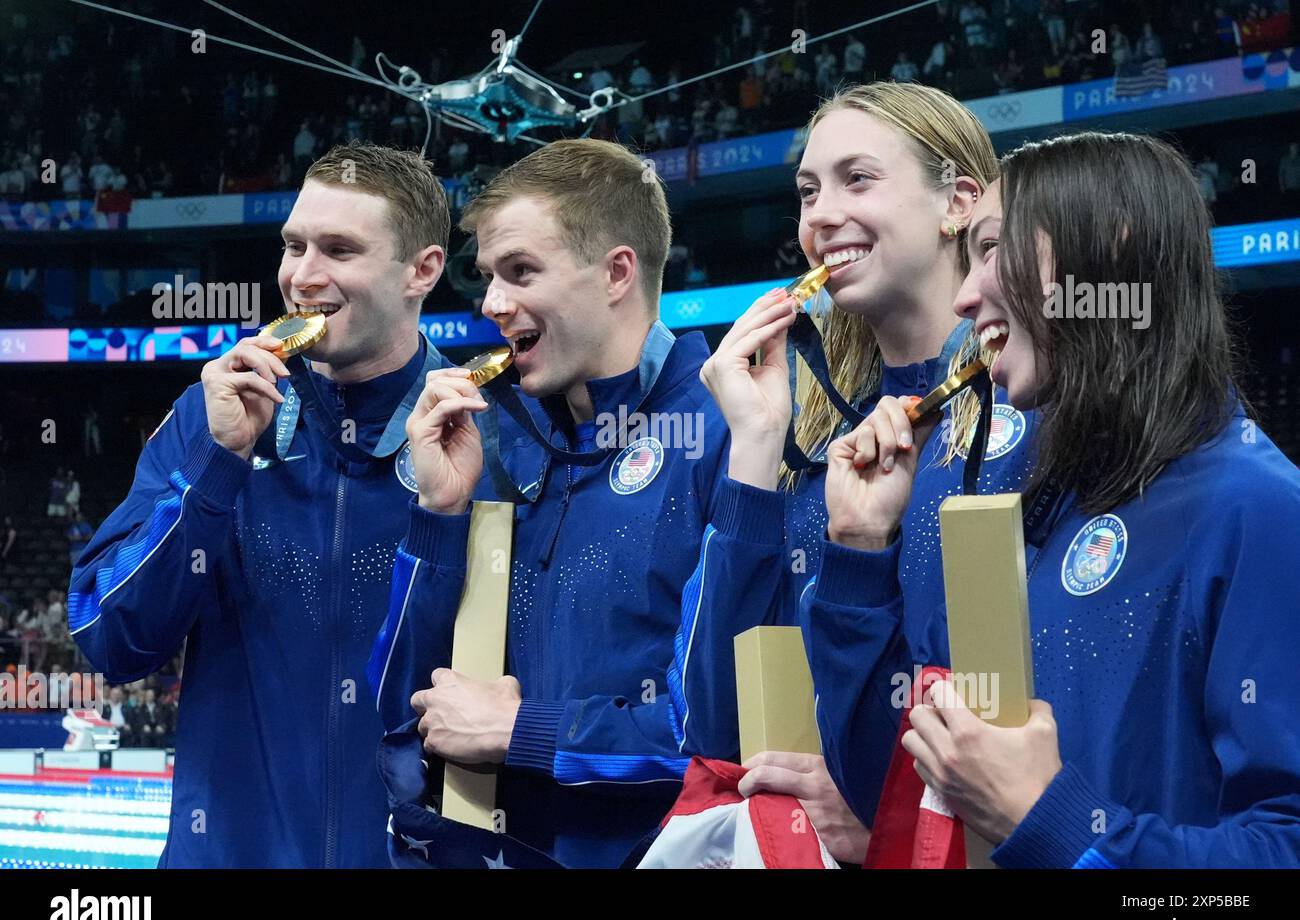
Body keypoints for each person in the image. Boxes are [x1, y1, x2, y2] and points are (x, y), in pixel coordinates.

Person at [807, 131, 1300, 867]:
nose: (967, 295)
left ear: (1109, 244)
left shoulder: (1258, 509)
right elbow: (900, 797)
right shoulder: (1035, 500)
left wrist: (1061, 821)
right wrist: (859, 549)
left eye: (993, 249)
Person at [370, 138, 784, 868]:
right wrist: (437, 515)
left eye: (521, 271)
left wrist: (524, 731)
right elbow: (408, 718)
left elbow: (725, 743)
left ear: (617, 272)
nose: (493, 303)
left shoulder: (730, 431)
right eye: (489, 276)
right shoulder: (496, 439)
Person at [70, 142, 453, 867]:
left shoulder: (480, 432)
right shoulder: (208, 418)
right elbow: (109, 638)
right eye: (293, 244)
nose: (303, 276)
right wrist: (217, 470)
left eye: (339, 249)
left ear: (422, 270)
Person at [698, 82, 1035, 841]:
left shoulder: (1034, 411)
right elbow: (721, 721)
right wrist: (753, 452)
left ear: (959, 203)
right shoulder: (802, 431)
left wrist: (886, 815)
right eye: (808, 191)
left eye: (857, 179)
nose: (819, 215)